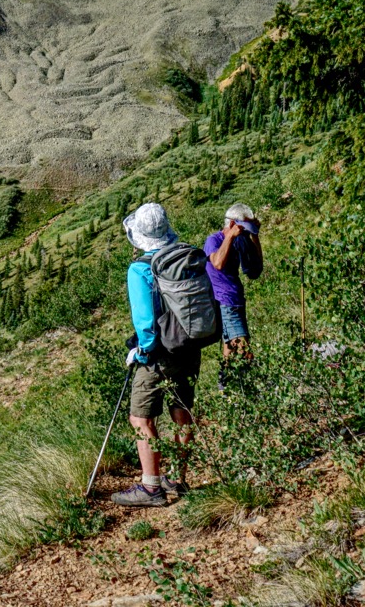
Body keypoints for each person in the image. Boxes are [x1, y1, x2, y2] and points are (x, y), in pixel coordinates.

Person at [112, 202, 200, 507]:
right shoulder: (184, 256)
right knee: (182, 411)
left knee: (141, 416)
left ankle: (151, 487)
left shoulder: (140, 270)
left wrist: (142, 353)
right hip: (189, 344)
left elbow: (145, 323)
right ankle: (178, 478)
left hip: (160, 353)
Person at [204, 203, 263, 363]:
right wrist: (230, 236)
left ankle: (225, 386)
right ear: (232, 224)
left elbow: (256, 267)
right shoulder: (213, 240)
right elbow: (217, 263)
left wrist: (254, 235)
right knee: (245, 353)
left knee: (229, 353)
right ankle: (251, 384)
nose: (244, 233)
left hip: (235, 301)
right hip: (226, 303)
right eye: (242, 229)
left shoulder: (240, 240)